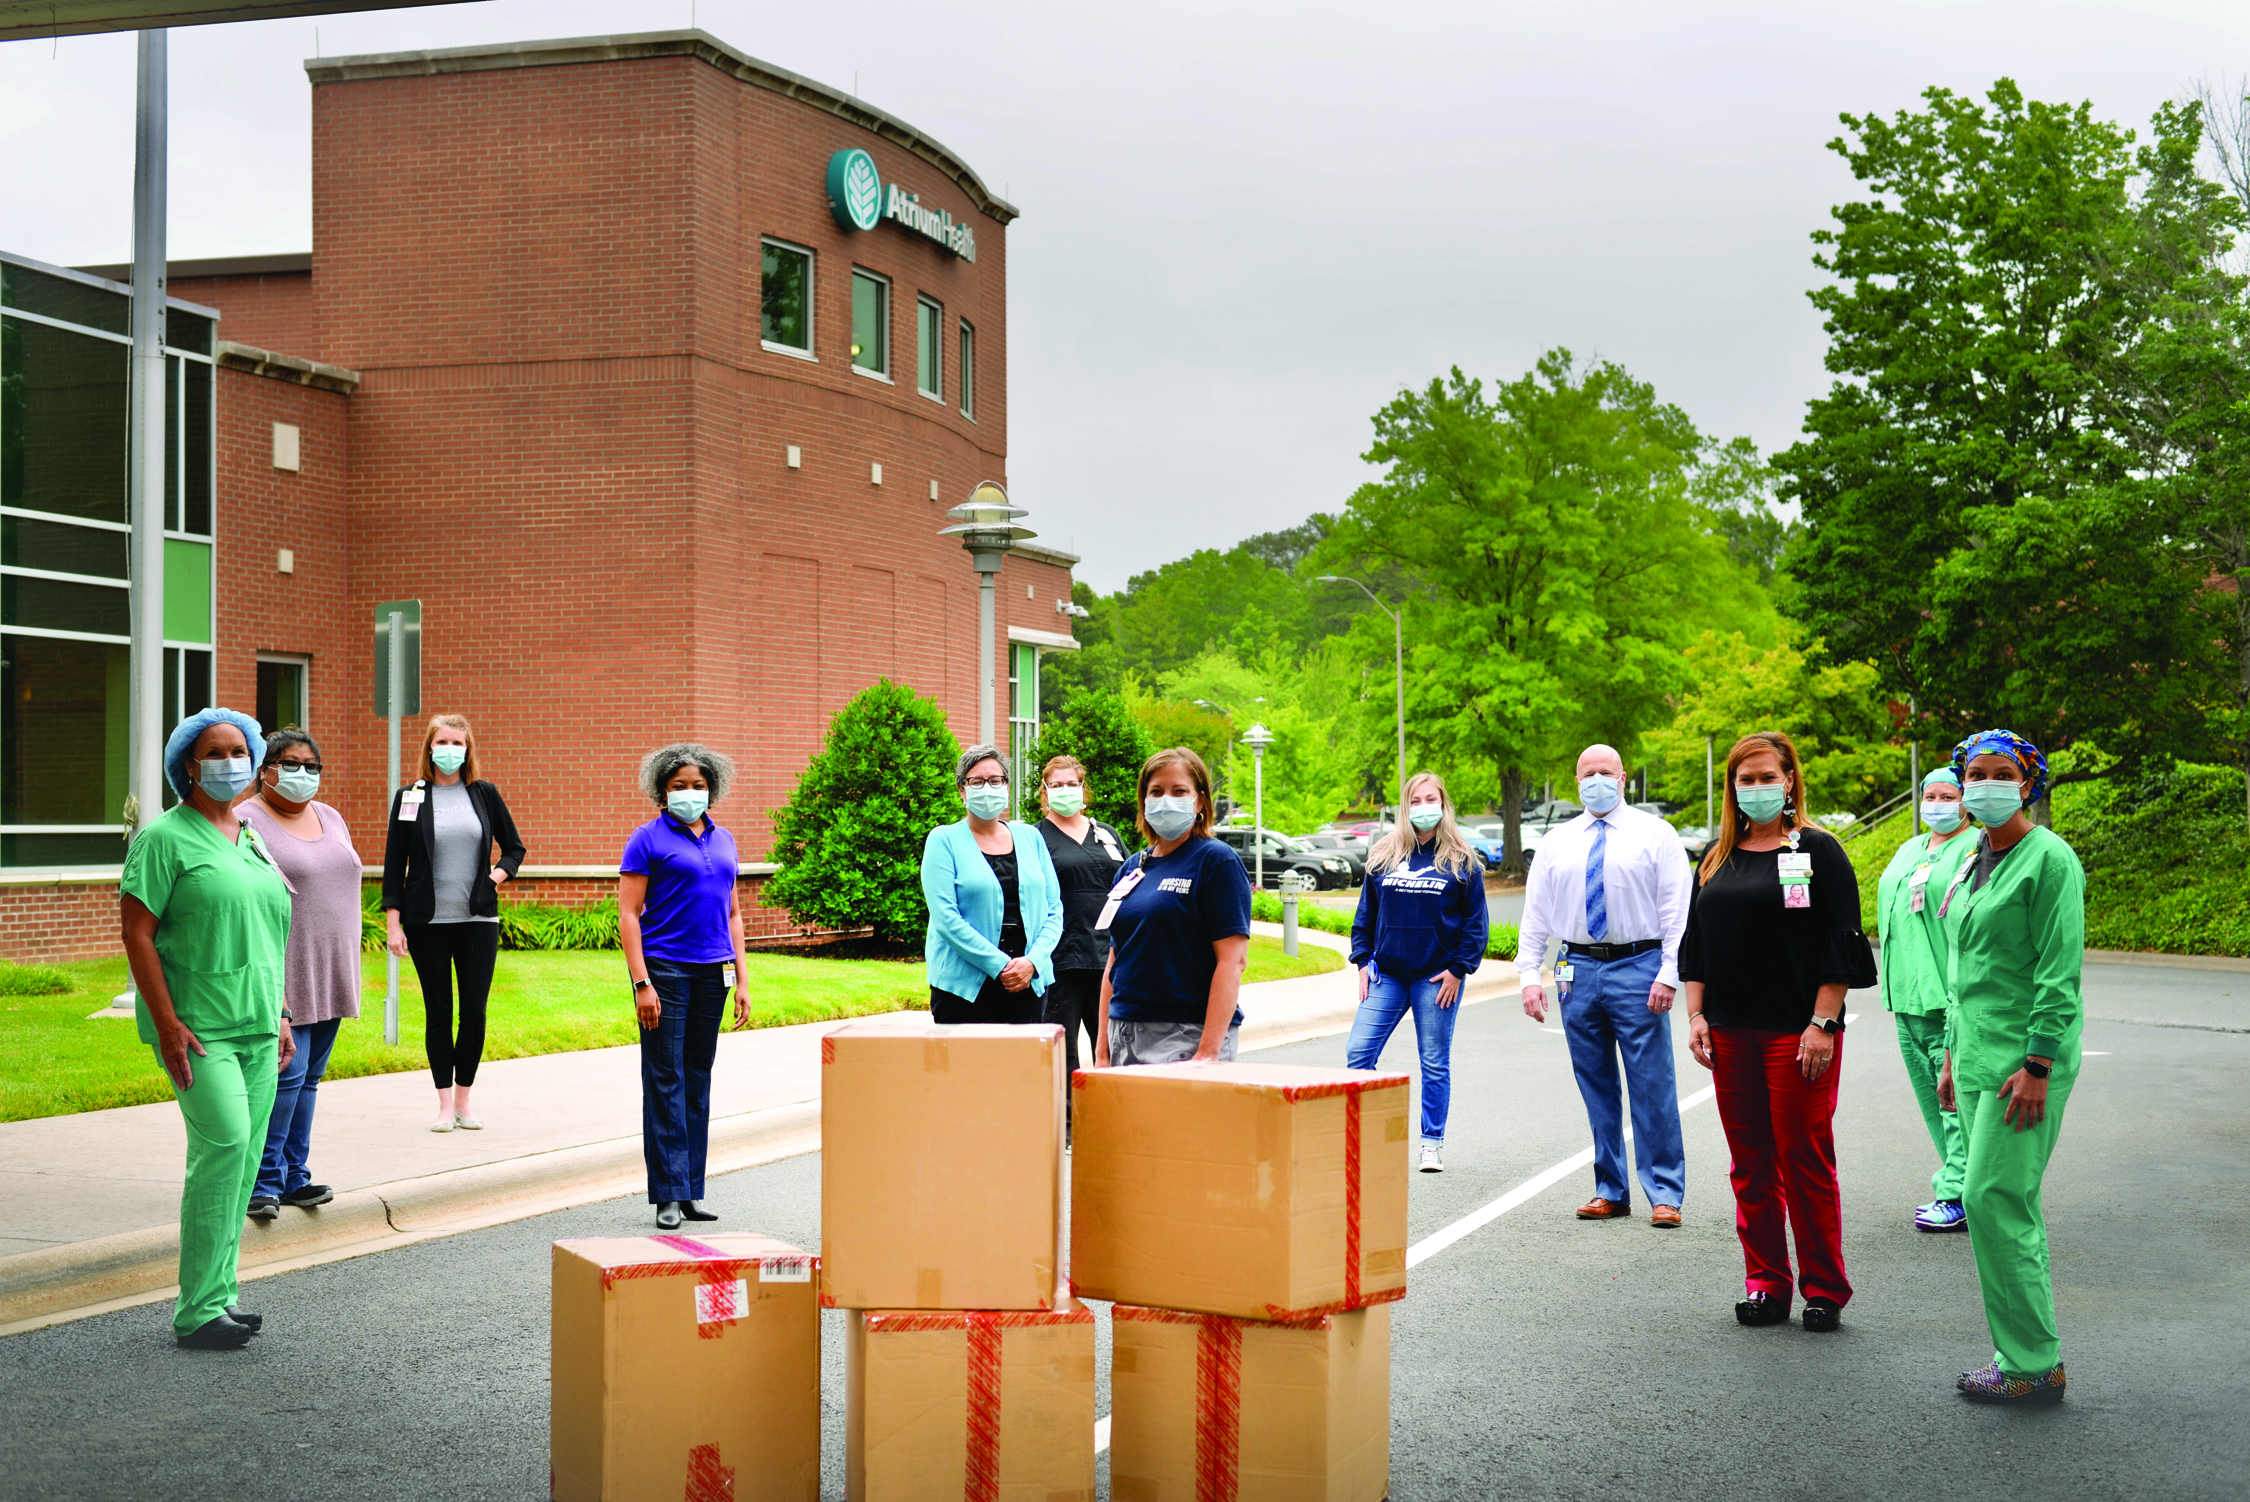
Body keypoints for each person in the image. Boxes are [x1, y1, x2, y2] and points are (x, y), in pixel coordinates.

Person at [1679, 730, 1876, 1333]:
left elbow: (1841, 941)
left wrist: (1822, 1023)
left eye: (1769, 777)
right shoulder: (1715, 855)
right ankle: (1765, 1283)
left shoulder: (1818, 849)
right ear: (1732, 786)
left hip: (1798, 1033)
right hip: (1730, 1033)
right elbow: (1696, 945)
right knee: (1751, 1166)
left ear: (1789, 781)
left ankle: (1824, 1289)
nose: (1758, 787)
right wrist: (1696, 1016)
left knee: (1804, 1161)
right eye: (1747, 779)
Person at [118, 708, 294, 1350]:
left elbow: (267, 932)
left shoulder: (250, 835)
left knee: (243, 1163)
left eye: (239, 751)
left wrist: (281, 1014)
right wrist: (166, 1023)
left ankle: (218, 1295)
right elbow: (137, 932)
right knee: (223, 1147)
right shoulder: (164, 838)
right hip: (198, 1029)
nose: (230, 762)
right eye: (215, 753)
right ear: (188, 766)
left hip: (257, 1024)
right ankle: (196, 1312)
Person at [1935, 730, 2084, 1405]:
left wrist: (2039, 1064)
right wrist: (1949, 1054)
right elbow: (1962, 968)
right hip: (1976, 1053)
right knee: (1999, 1200)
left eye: (2003, 774)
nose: (1986, 785)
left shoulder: (2049, 859)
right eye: (1976, 773)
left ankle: (2033, 1364)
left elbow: (2059, 971)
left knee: (1993, 1198)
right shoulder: (1974, 855)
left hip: (2023, 1062)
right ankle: (2024, 1355)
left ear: (2028, 783)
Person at [1518, 744, 1693, 1226]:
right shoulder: (1557, 841)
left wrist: (1669, 972)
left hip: (1639, 964)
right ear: (1577, 781)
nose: (1597, 780)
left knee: (1651, 1082)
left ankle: (1664, 1192)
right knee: (1594, 1082)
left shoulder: (1655, 834)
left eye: (1605, 772)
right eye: (1588, 773)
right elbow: (1535, 913)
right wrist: (1529, 975)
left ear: (1622, 778)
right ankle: (1610, 1189)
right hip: (1575, 968)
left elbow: (1677, 910)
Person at [619, 743, 751, 1232]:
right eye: (679, 786)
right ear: (663, 791)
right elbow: (628, 914)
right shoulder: (646, 839)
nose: (690, 793)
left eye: (698, 785)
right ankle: (667, 1195)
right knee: (665, 1081)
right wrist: (642, 983)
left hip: (714, 972)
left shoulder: (725, 839)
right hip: (666, 972)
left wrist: (742, 978)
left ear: (712, 789)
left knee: (697, 1080)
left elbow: (733, 913)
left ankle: (691, 1189)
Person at [237, 729, 362, 1221]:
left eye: (311, 766)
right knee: (284, 1078)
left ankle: (294, 1176)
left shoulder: (330, 816)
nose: (302, 774)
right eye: (290, 764)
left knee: (308, 1079)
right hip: (285, 969)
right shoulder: (246, 820)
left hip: (331, 968)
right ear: (265, 770)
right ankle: (261, 1183)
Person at [381, 713, 525, 1132]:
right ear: (429, 747)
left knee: (474, 1013)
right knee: (439, 1010)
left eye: (457, 743)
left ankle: (464, 1099)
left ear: (468, 748)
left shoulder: (483, 794)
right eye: (442, 742)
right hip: (426, 921)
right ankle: (444, 1105)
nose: (449, 749)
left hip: (478, 919)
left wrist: (492, 880)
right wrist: (393, 923)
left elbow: (514, 848)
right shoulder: (411, 796)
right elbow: (395, 863)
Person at [1347, 771, 1489, 1173]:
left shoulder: (1462, 860)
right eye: (1415, 800)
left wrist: (1458, 970)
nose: (1423, 807)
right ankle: (1371, 1138)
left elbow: (1475, 924)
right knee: (1358, 1053)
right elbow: (1365, 914)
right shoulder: (1384, 855)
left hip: (1436, 978)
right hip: (1387, 975)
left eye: (1431, 799)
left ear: (1443, 804)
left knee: (1434, 1062)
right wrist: (1362, 961)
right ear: (1404, 807)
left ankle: (1431, 1143)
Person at [1093, 747, 1253, 1067]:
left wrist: (1207, 1053)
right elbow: (1114, 962)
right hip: (1124, 1031)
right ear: (1144, 802)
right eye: (1156, 791)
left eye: (1179, 791)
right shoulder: (1131, 868)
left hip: (1187, 1033)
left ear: (1200, 802)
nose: (1166, 799)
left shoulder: (1216, 861)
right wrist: (1101, 1051)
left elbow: (1232, 962)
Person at [1874, 767, 1977, 1232]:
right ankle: (1963, 1184)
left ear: (1966, 801)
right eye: (1929, 796)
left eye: (1947, 796)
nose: (1936, 804)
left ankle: (1958, 1193)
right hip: (1905, 996)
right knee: (1933, 1104)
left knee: (1953, 1100)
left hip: (1943, 998)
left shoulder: (1975, 847)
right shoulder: (1910, 848)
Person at [921, 744, 1063, 1024]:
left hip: (1028, 979)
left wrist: (1033, 961)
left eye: (996, 780)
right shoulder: (943, 840)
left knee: (1024, 1054)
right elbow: (945, 918)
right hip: (965, 989)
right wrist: (999, 965)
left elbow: (1054, 909)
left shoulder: (1031, 837)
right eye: (977, 781)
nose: (988, 787)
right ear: (962, 790)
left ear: (1006, 786)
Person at [1033, 754, 1127, 1117]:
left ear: (1083, 788)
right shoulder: (1034, 838)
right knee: (1063, 1054)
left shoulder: (1106, 833)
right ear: (1044, 792)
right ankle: (1068, 1127)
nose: (1065, 790)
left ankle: (1114, 1122)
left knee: (1113, 1048)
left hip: (1109, 958)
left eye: (1071, 784)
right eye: (1057, 785)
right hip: (1062, 961)